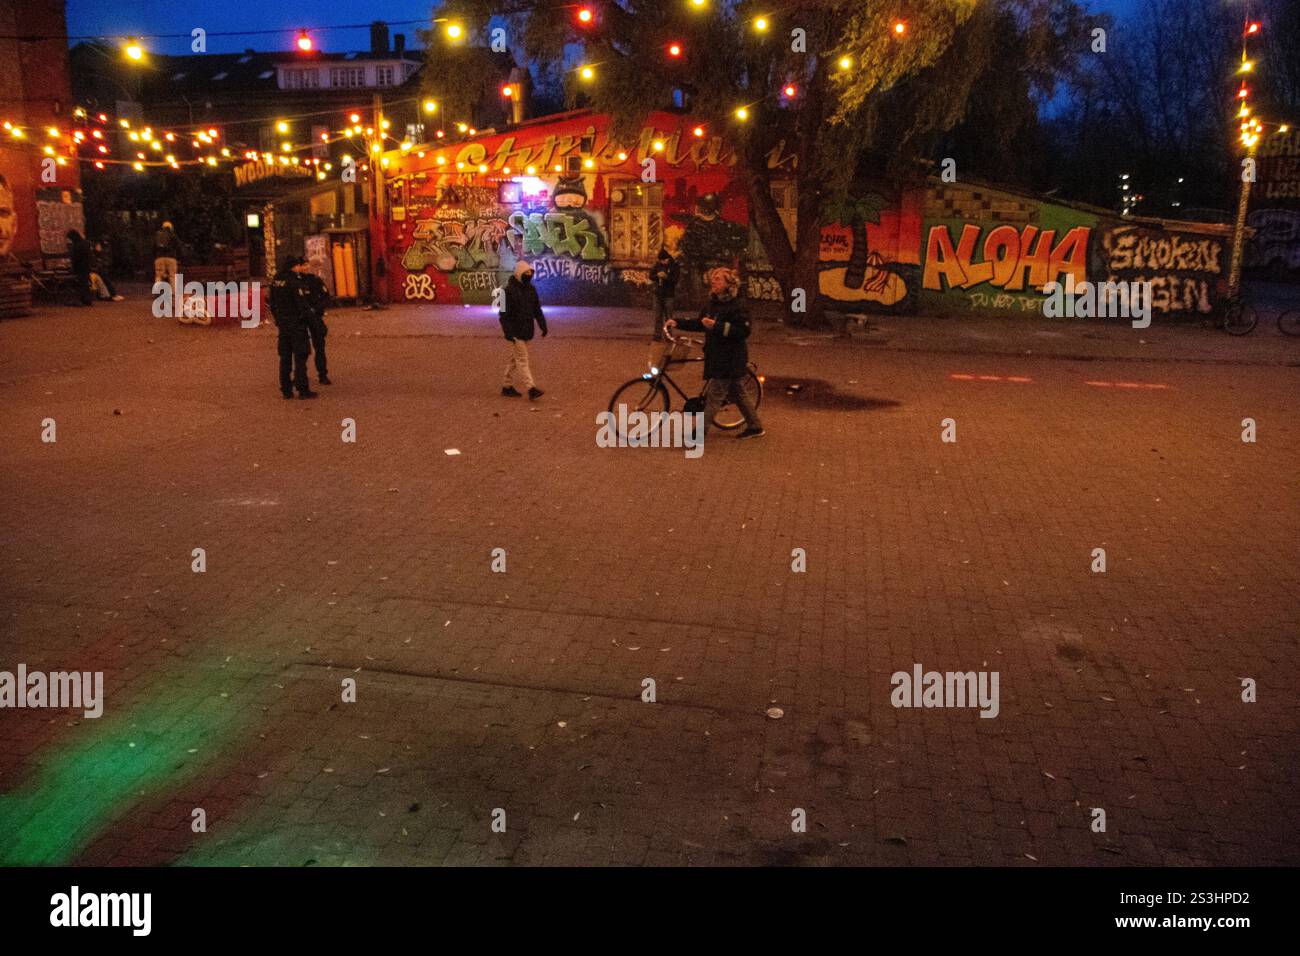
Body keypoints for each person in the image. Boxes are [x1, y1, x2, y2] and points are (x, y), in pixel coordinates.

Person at [664, 266, 764, 440]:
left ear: (728, 284)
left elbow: (743, 331)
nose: (714, 281)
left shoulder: (737, 305)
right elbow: (700, 323)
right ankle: (755, 426)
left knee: (714, 397)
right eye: (713, 278)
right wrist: (678, 323)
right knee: (737, 393)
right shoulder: (712, 303)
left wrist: (716, 326)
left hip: (730, 358)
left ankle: (698, 434)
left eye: (718, 279)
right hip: (717, 356)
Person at [269, 255, 317, 400]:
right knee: (301, 356)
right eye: (297, 265)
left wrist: (278, 320)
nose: (299, 268)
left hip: (283, 325)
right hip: (296, 324)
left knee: (285, 358)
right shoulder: (294, 282)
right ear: (292, 266)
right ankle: (303, 389)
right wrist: (313, 322)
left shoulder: (276, 280)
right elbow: (302, 306)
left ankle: (286, 389)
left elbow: (272, 303)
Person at [499, 259, 547, 400]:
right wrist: (508, 333)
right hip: (515, 332)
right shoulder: (505, 292)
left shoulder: (531, 290)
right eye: (526, 273)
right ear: (519, 274)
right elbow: (502, 315)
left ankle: (506, 386)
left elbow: (537, 310)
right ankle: (531, 388)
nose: (529, 275)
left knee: (515, 359)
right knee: (522, 359)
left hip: (526, 331)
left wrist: (543, 325)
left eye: (530, 272)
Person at [299, 261, 331, 385]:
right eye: (303, 265)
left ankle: (322, 374)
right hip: (301, 318)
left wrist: (316, 309)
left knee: (320, 348)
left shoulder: (315, 280)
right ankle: (300, 376)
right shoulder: (295, 282)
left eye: (307, 265)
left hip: (315, 317)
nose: (306, 267)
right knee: (301, 350)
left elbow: (325, 297)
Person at [649, 248, 679, 341]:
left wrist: (666, 277)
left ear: (668, 258)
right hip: (658, 294)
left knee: (669, 317)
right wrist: (657, 276)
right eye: (661, 260)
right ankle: (657, 335)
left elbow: (675, 280)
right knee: (658, 316)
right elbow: (651, 276)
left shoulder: (674, 266)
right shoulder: (657, 265)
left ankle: (668, 336)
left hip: (669, 295)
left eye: (664, 260)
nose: (662, 262)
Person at [65, 229, 93, 306]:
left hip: (80, 267)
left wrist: (73, 267)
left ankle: (83, 300)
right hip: (86, 266)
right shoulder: (85, 243)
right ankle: (87, 300)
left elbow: (75, 258)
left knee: (81, 284)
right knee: (85, 283)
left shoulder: (77, 245)